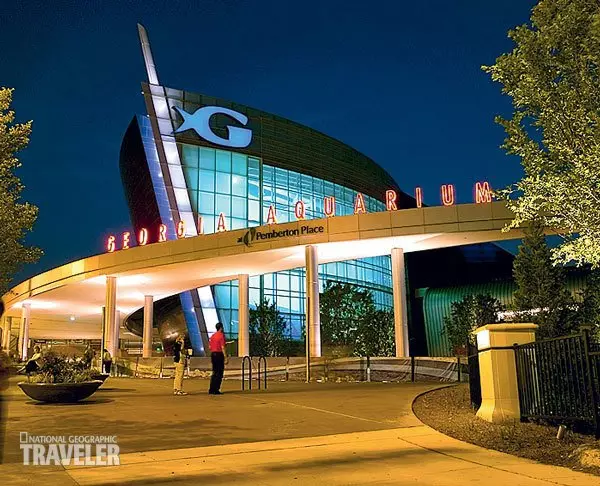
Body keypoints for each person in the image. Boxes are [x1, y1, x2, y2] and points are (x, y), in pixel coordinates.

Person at [208, 322, 227, 395]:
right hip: (219, 354)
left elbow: (210, 347)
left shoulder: (212, 336)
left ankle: (211, 389)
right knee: (219, 373)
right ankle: (216, 389)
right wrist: (225, 357)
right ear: (221, 327)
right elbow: (222, 347)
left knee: (214, 372)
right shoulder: (221, 335)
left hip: (213, 354)